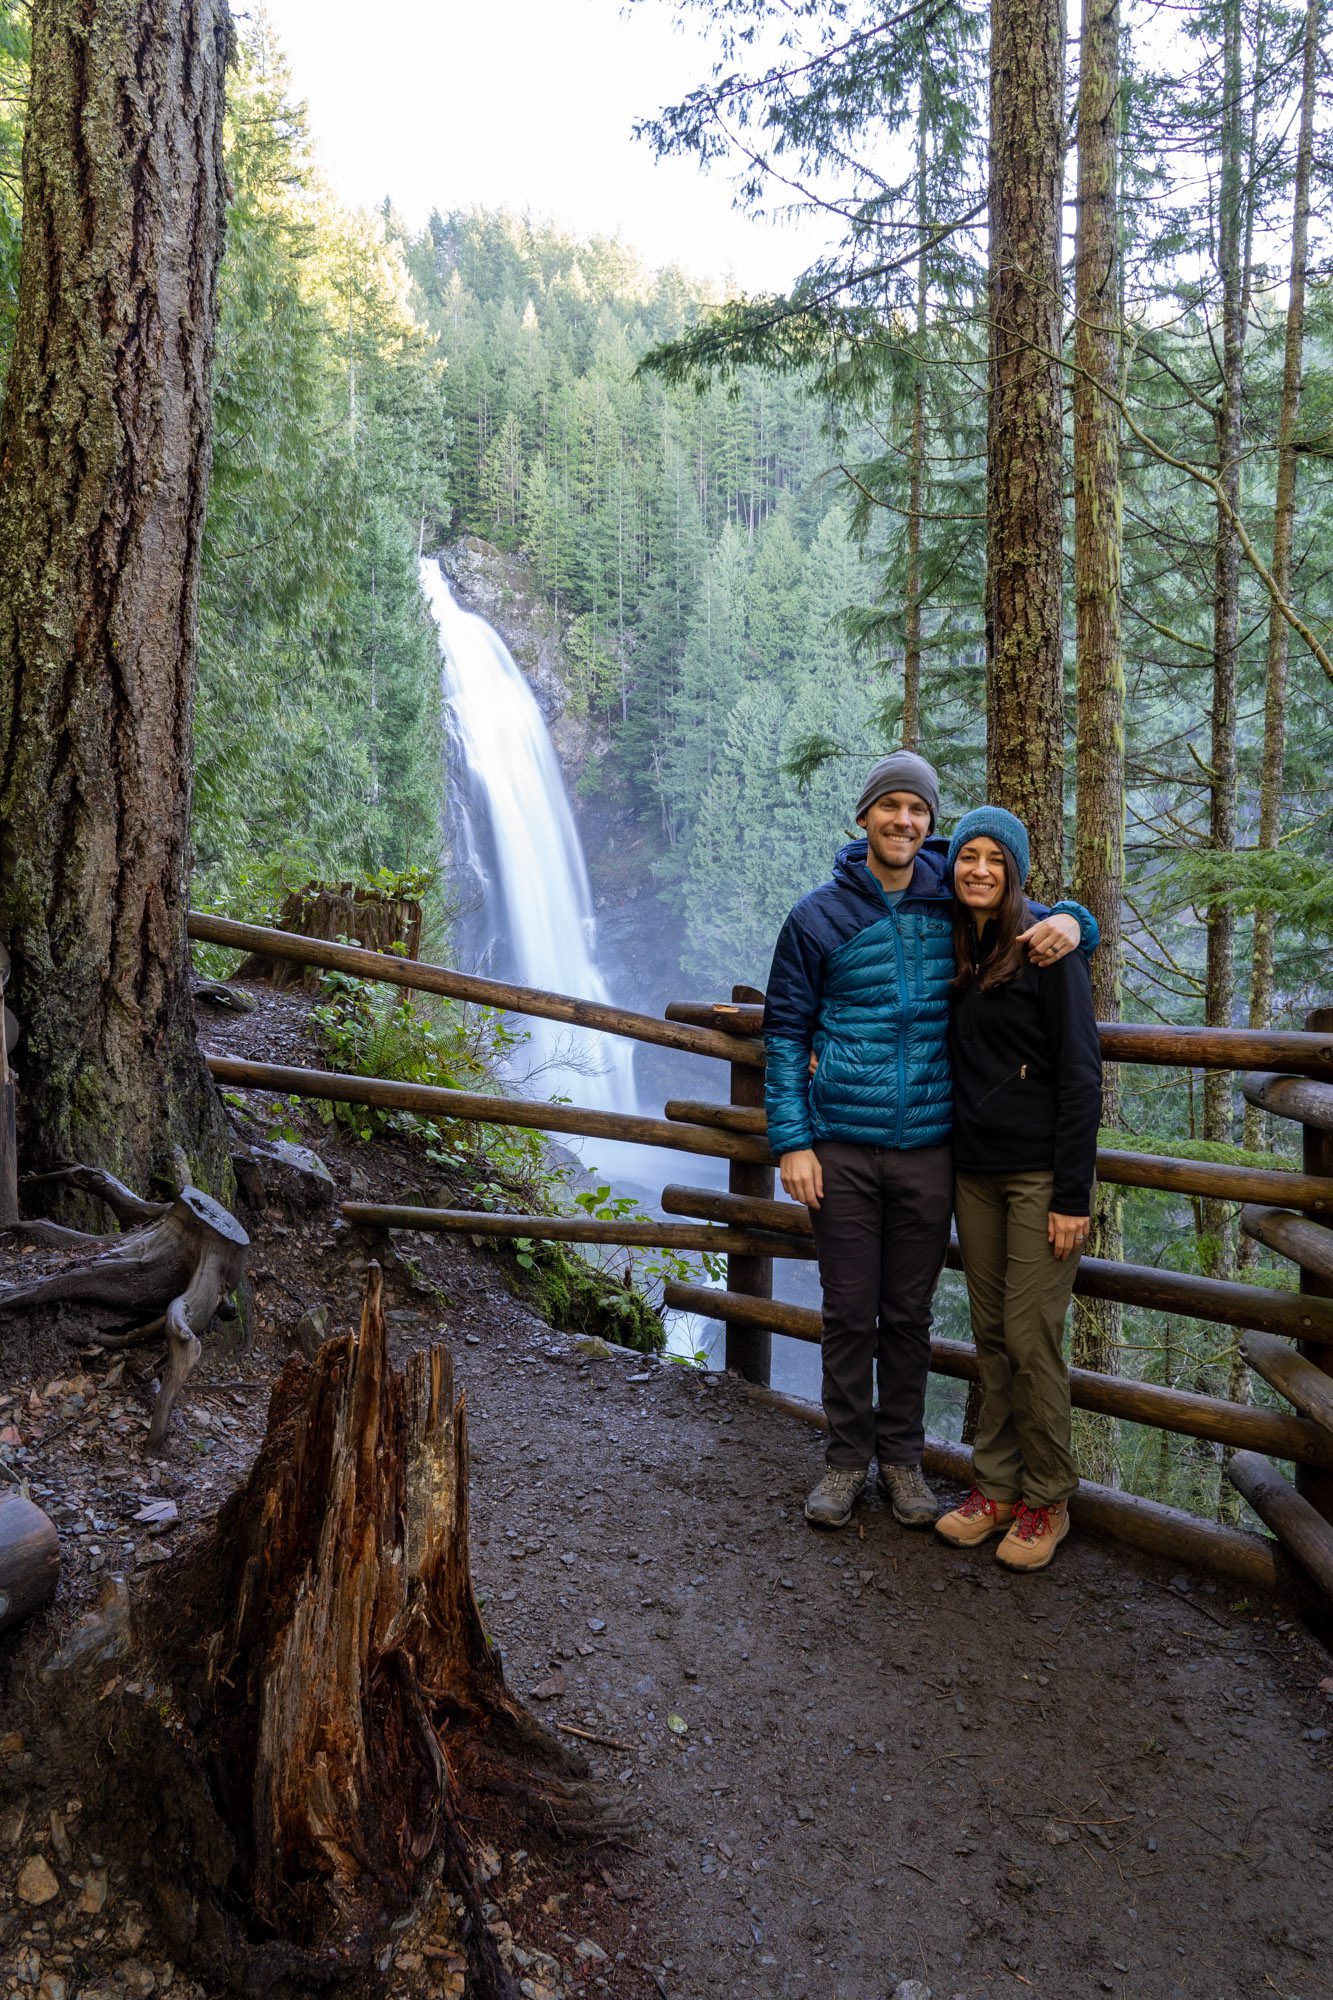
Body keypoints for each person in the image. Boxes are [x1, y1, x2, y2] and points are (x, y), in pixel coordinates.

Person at [763, 752, 1098, 1532]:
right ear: (864, 817)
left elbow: (1032, 910)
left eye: (918, 811)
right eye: (890, 808)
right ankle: (846, 1462)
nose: (903, 822)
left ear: (929, 826)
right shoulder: (818, 917)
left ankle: (903, 1464)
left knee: (909, 1315)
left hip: (930, 1147)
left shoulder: (946, 894)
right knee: (849, 1312)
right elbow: (783, 1034)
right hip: (840, 1142)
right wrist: (792, 1141)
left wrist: (1074, 920)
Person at [934, 807, 1102, 1572]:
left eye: (993, 859)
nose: (977, 870)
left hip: (1040, 1176)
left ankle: (1048, 1497)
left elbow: (1079, 1073)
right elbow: (870, 865)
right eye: (966, 855)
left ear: (1015, 871)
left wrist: (1072, 1194)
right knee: (993, 1336)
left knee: (1031, 1338)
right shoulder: (954, 939)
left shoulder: (1047, 947)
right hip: (974, 1173)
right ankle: (995, 1487)